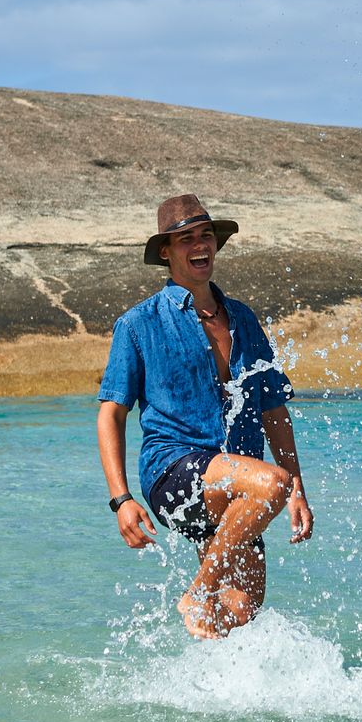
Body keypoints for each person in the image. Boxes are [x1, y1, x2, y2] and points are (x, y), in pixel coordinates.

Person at [97, 194, 313, 638]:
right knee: (270, 482)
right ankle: (197, 591)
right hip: (174, 470)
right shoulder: (139, 325)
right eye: (186, 238)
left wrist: (298, 489)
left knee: (240, 610)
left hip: (235, 481)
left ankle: (201, 691)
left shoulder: (244, 320)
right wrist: (121, 499)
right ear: (166, 251)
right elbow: (110, 415)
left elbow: (273, 408)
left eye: (206, 235)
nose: (200, 245)